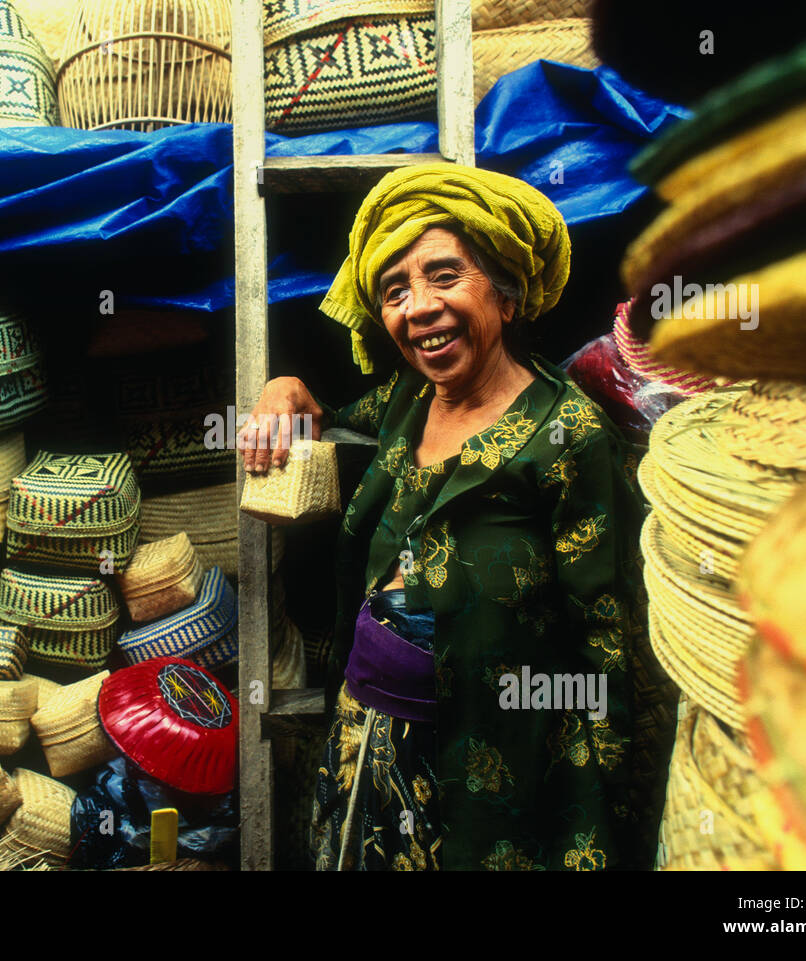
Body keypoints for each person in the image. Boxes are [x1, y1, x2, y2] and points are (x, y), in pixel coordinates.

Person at [239, 164, 661, 871]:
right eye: (395, 290)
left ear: (506, 293)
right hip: (366, 738)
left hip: (497, 765)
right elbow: (327, 417)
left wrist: (594, 805)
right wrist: (281, 387)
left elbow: (604, 638)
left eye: (444, 276)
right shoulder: (408, 401)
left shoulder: (567, 434)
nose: (418, 306)